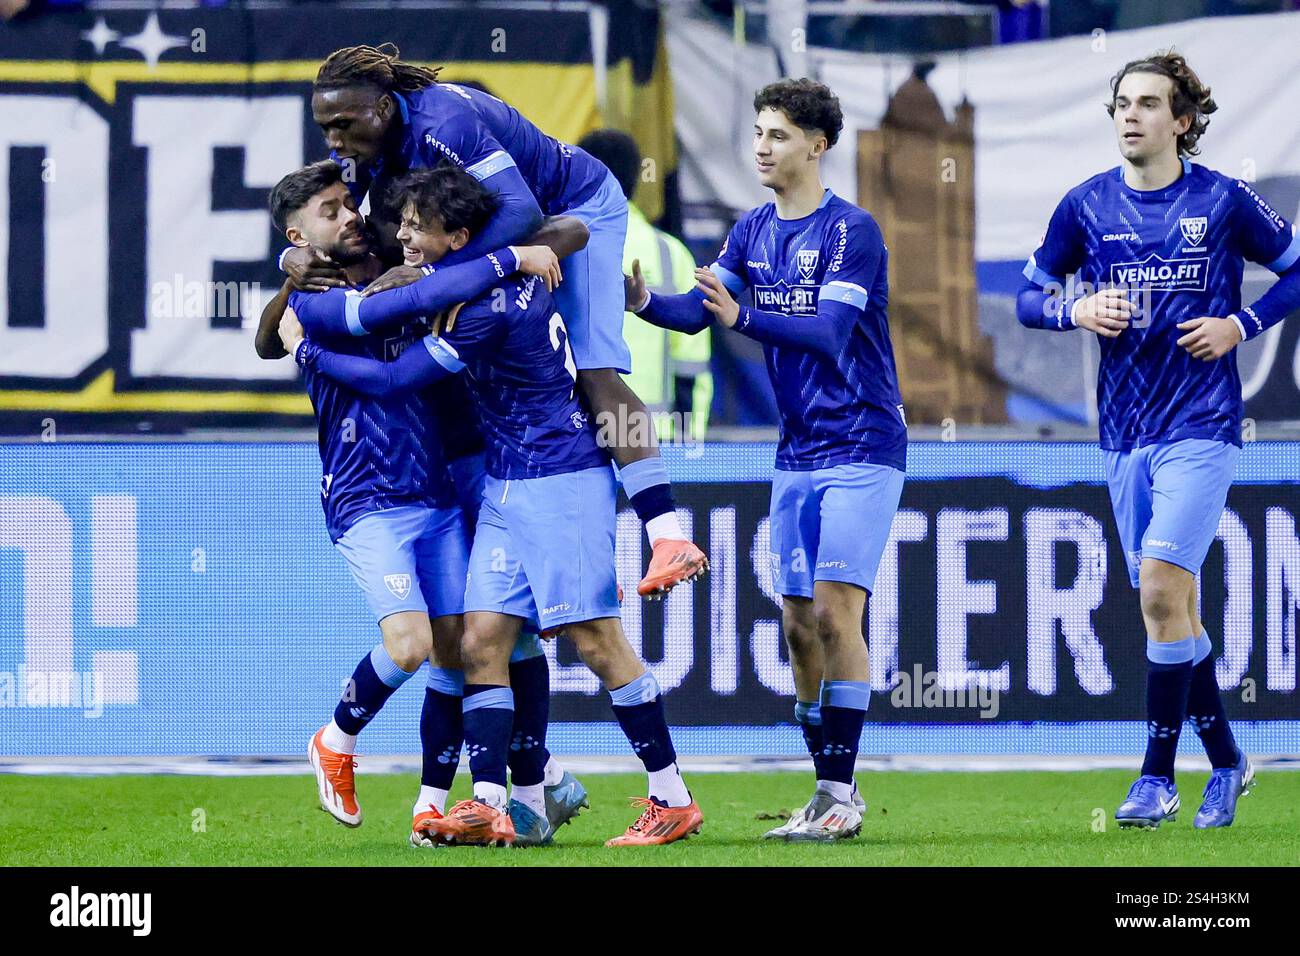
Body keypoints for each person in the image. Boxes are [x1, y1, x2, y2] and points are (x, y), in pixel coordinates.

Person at [278, 164, 704, 848]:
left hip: (557, 478)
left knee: (598, 641)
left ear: (462, 238)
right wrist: (294, 258)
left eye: (420, 228)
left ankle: (670, 796)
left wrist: (310, 356)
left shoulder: (485, 308)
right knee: (481, 642)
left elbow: (392, 379)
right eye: (405, 223)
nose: (404, 236)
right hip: (508, 481)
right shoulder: (476, 279)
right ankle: (488, 803)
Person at [284, 43, 708, 598]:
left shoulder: (446, 123)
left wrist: (440, 279)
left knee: (593, 369)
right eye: (325, 128)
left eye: (342, 124)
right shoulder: (369, 147)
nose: (334, 141)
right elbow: (346, 225)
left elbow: (523, 212)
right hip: (512, 229)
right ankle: (564, 559)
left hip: (574, 208)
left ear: (383, 108)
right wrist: (290, 259)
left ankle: (667, 534)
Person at [260, 160, 589, 845]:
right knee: (410, 646)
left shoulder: (386, 256)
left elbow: (572, 230)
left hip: (436, 488)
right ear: (299, 233)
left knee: (460, 651)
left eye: (349, 203)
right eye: (331, 210)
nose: (351, 215)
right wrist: (511, 259)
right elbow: (288, 338)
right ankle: (336, 737)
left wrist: (516, 252)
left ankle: (436, 806)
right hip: (364, 493)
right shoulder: (312, 302)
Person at [1016, 51, 1300, 828]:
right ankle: (1230, 763)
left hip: (1203, 424)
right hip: (1122, 431)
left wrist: (1239, 323)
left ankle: (1155, 777)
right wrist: (1072, 311)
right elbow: (1027, 298)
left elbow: (1297, 270)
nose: (1130, 115)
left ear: (1182, 121)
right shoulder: (1084, 207)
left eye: (1147, 103)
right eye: (1120, 104)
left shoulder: (1222, 200)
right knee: (1172, 613)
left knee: (1157, 592)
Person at [625, 79, 907, 841]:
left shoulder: (852, 232)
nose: (761, 146)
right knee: (794, 624)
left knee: (835, 611)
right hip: (798, 452)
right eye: (757, 132)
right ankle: (827, 788)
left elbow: (828, 334)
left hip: (863, 445)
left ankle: (841, 795)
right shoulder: (751, 230)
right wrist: (643, 301)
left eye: (778, 135)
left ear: (817, 145)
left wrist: (744, 315)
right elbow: (697, 312)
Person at [578, 129, 712, 442]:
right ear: (636, 179)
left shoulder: (560, 250)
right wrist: (688, 443)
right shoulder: (671, 253)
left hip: (579, 436)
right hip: (655, 437)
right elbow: (692, 363)